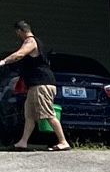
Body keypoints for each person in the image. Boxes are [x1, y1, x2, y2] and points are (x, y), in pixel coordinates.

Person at [1, 22, 70, 150]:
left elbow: (19, 55)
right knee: (30, 115)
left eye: (17, 33)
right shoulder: (36, 42)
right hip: (35, 85)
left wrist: (4, 61)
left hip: (41, 84)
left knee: (48, 113)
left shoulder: (30, 42)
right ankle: (23, 142)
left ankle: (63, 141)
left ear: (20, 31)